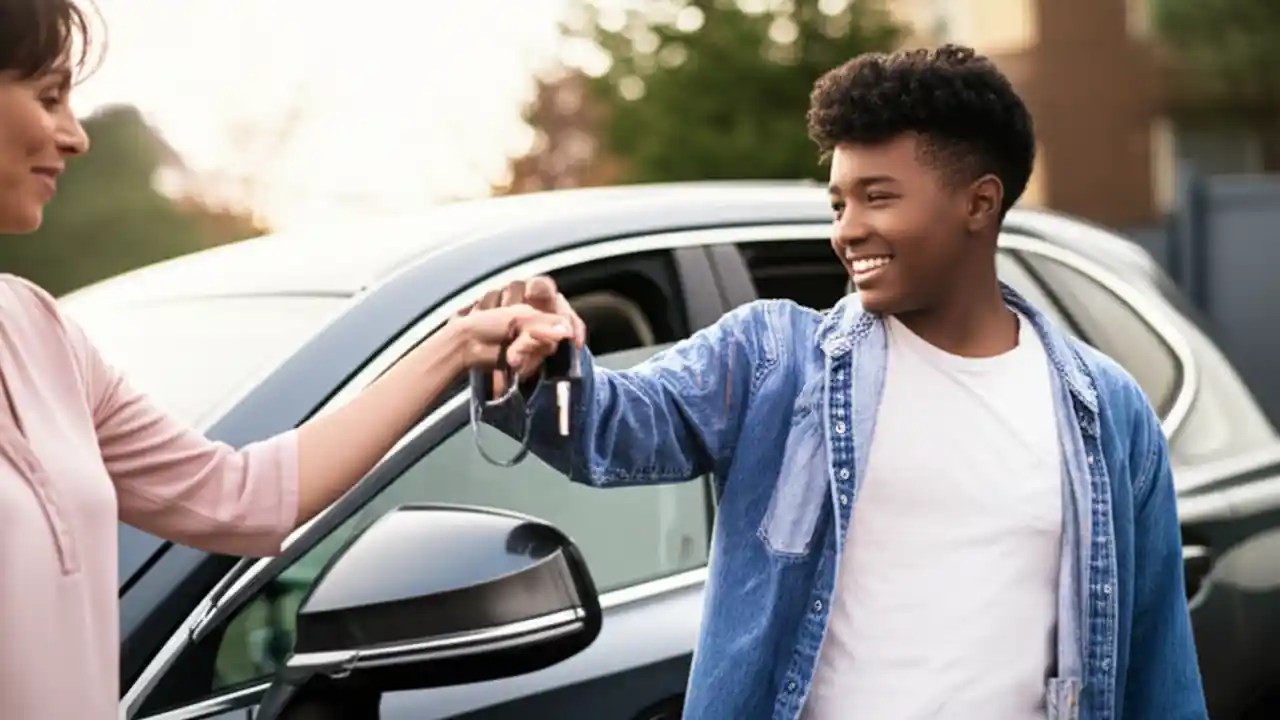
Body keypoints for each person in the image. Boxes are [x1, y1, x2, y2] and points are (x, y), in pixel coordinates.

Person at [479, 45, 1206, 719]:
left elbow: (1156, 663)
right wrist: (549, 368)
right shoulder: (776, 359)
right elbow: (618, 427)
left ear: (979, 205)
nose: (845, 230)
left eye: (878, 197)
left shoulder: (1105, 412)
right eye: (838, 202)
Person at [0, 2, 579, 718]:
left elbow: (240, 496)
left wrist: (459, 343)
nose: (75, 135)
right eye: (49, 96)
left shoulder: (40, 331)